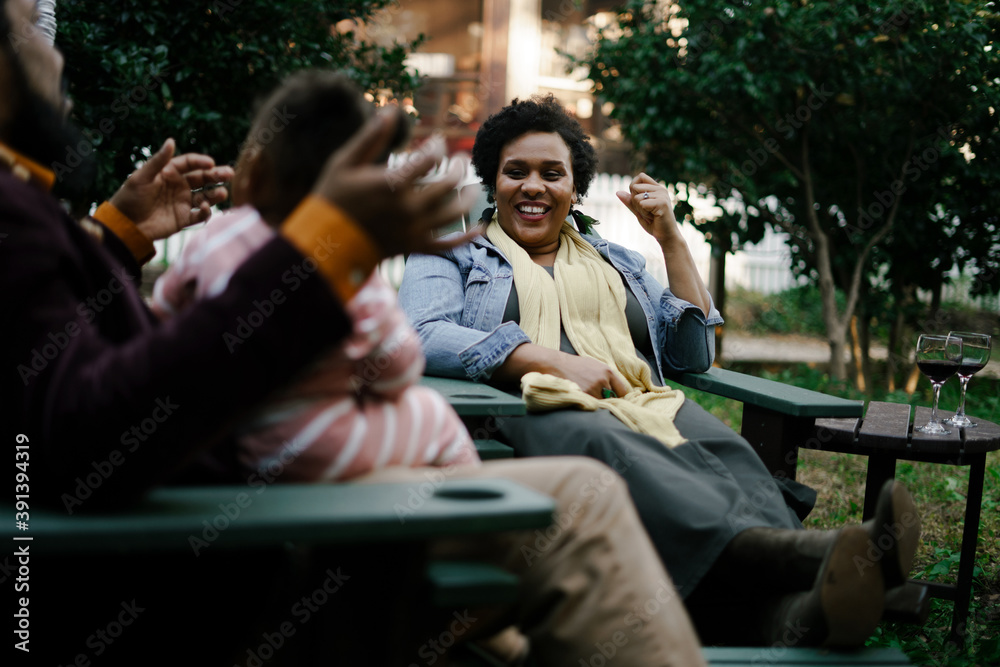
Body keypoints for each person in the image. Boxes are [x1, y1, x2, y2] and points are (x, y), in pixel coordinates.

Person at [0, 2, 705, 665]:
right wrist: (320, 249)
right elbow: (81, 431)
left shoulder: (616, 257)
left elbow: (66, 365)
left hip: (227, 505)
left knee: (598, 489)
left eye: (554, 173)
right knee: (582, 502)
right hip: (225, 546)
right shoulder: (13, 208)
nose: (55, 55)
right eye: (34, 25)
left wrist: (113, 240)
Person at [398, 94, 922, 647]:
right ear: (493, 181)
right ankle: (816, 559)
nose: (534, 186)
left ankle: (798, 615)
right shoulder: (454, 250)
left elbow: (692, 355)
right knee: (616, 447)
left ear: (575, 189)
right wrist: (548, 359)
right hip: (529, 405)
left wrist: (670, 238)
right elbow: (421, 333)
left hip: (641, 398)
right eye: (516, 172)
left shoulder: (614, 259)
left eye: (552, 174)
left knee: (726, 451)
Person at [151, 70, 479, 482]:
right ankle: (475, 507)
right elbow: (397, 371)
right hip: (316, 444)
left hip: (219, 433)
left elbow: (161, 316)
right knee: (432, 414)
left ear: (255, 171)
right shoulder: (348, 268)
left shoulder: (213, 236)